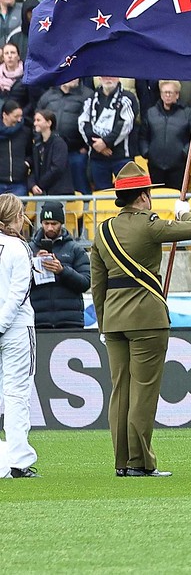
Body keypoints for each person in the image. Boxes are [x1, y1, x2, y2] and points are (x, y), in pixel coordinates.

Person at [90, 161, 191, 476]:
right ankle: (139, 463)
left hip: (114, 320)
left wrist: (104, 323)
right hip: (148, 319)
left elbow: (97, 284)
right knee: (143, 392)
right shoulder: (151, 223)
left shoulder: (102, 231)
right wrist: (184, 212)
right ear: (144, 195)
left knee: (120, 392)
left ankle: (121, 462)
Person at [0, 195, 39, 478]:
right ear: (15, 217)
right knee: (17, 392)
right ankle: (18, 460)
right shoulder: (19, 248)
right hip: (15, 328)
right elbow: (19, 293)